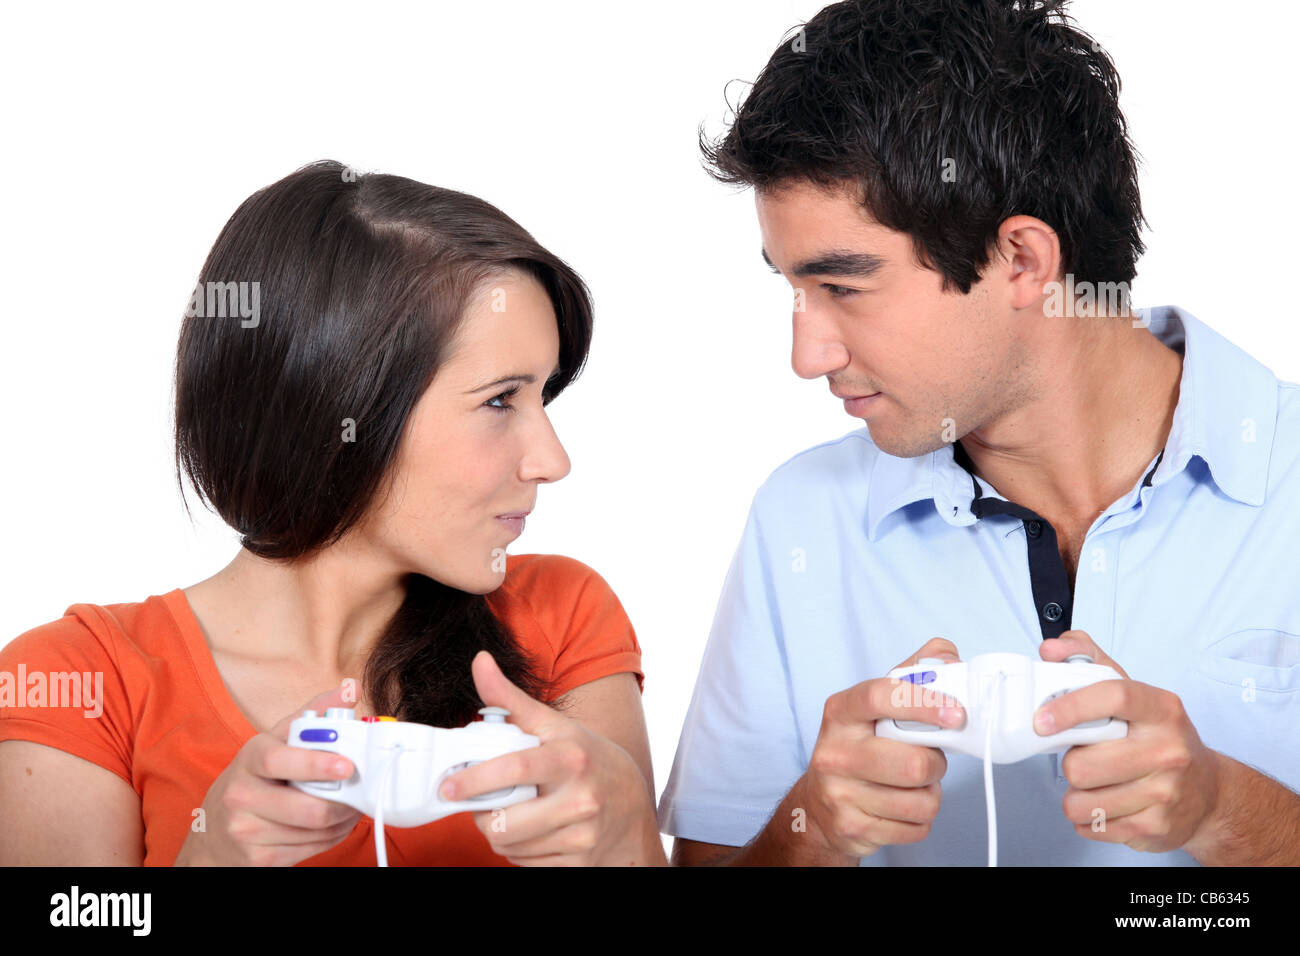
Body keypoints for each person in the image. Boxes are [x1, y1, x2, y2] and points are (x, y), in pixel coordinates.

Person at [659, 0, 1300, 865]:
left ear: (1024, 262)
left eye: (842, 288)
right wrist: (811, 825)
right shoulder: (800, 520)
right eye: (793, 290)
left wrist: (1226, 810)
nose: (807, 354)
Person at [0, 160, 666, 867]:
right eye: (500, 400)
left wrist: (633, 849)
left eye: (543, 398)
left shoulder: (560, 617)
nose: (551, 460)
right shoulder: (83, 679)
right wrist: (208, 859)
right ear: (335, 406)